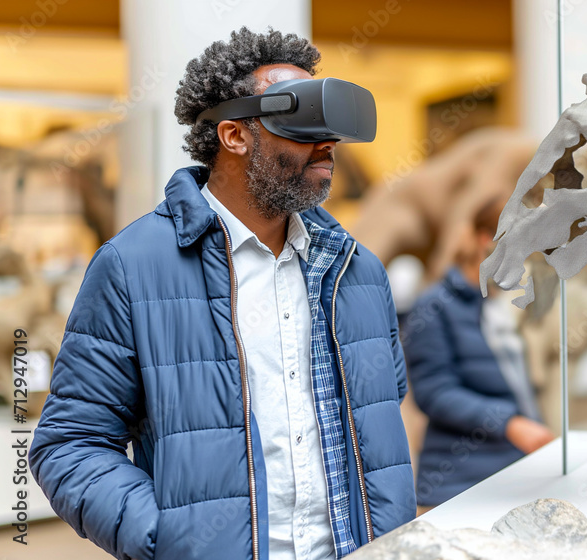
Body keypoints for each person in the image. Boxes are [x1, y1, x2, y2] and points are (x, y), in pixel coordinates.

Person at [28, 28, 415, 560]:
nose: (328, 143)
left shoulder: (357, 270)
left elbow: (383, 408)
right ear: (234, 135)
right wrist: (168, 539)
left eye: (331, 128)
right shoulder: (133, 266)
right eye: (303, 122)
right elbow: (70, 446)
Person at [403, 200, 554, 511]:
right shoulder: (434, 306)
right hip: (460, 483)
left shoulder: (502, 304)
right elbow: (435, 393)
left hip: (514, 472)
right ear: (488, 239)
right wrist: (509, 423)